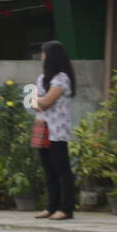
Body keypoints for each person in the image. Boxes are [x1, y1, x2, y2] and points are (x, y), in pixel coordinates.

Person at [31, 40, 76, 221]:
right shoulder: (42, 78)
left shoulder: (62, 78)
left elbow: (46, 101)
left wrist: (39, 100)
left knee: (62, 170)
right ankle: (51, 207)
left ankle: (65, 208)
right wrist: (39, 101)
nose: (42, 57)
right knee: (48, 170)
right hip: (42, 128)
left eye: (44, 53)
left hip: (57, 130)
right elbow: (32, 103)